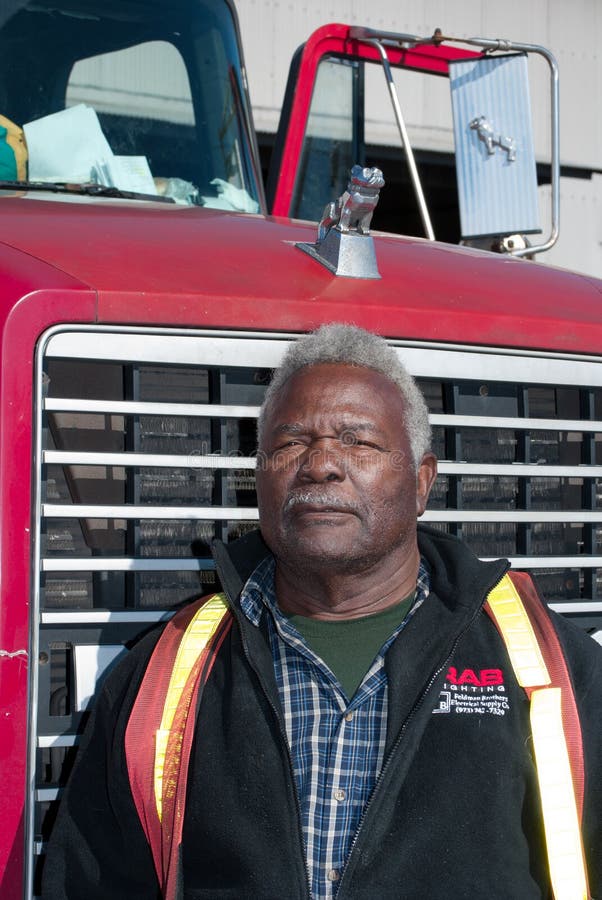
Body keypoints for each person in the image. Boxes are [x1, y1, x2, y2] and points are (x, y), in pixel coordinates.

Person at [43, 323, 601, 899]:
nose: (321, 465)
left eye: (359, 441)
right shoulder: (163, 680)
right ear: (257, 479)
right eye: (289, 445)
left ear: (421, 482)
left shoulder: (551, 671)